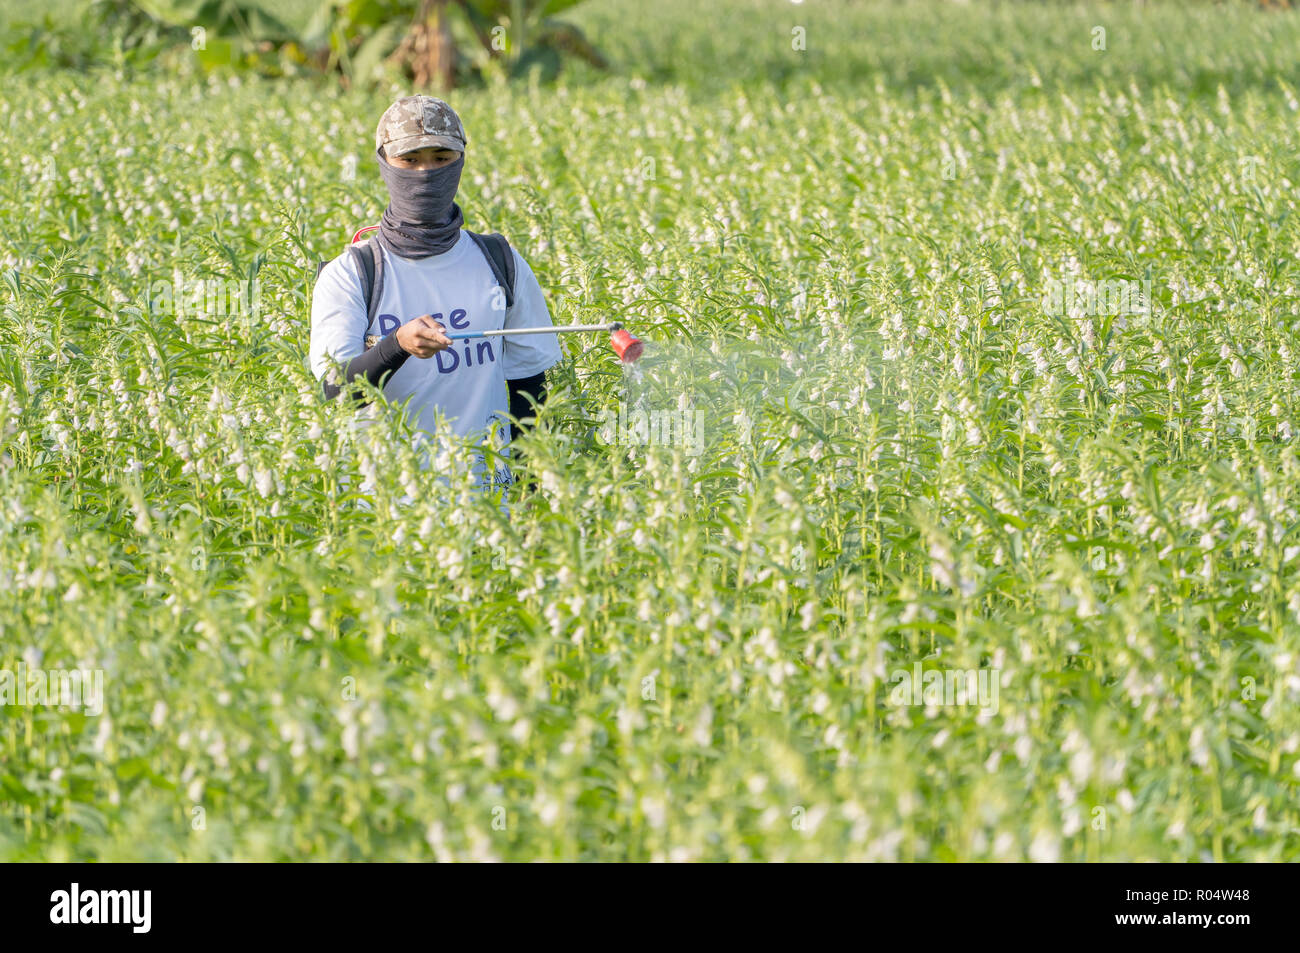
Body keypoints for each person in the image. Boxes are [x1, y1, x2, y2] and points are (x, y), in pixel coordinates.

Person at [309, 95, 561, 502]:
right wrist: (397, 346)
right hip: (388, 508)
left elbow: (528, 389)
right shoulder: (353, 274)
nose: (426, 172)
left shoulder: (500, 262)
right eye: (410, 160)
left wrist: (530, 496)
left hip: (489, 506)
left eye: (441, 157)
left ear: (461, 161)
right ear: (385, 163)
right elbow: (339, 392)